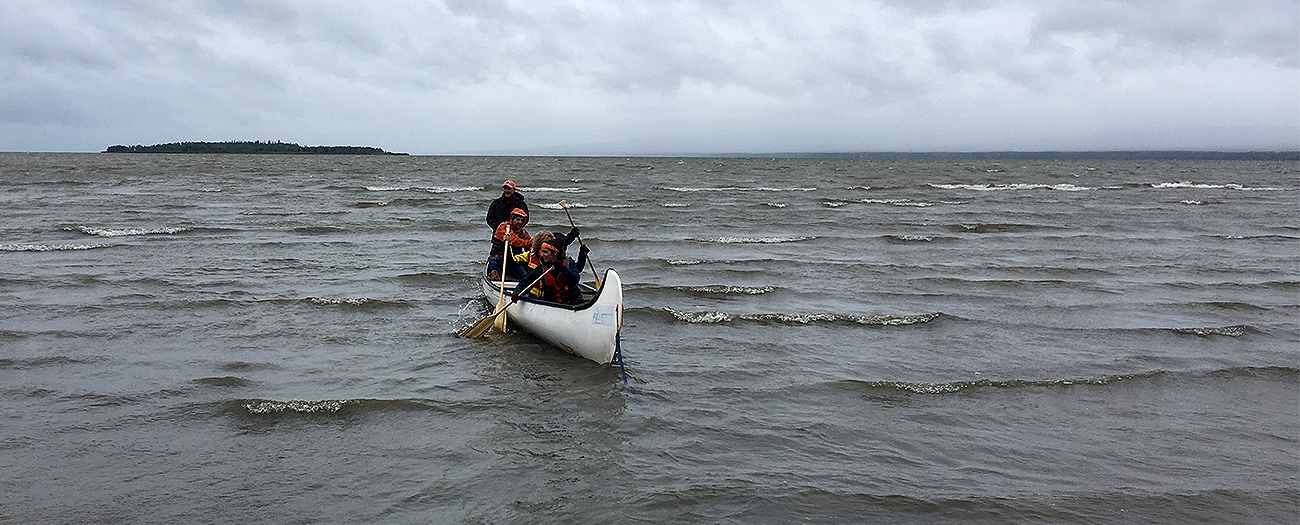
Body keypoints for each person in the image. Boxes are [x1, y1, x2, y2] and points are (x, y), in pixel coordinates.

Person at [513, 240, 589, 305]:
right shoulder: (541, 268)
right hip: (553, 303)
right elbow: (525, 282)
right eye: (542, 252)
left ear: (554, 253)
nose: (542, 255)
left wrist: (562, 268)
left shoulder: (569, 263)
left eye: (545, 252)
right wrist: (516, 292)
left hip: (574, 301)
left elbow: (576, 278)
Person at [486, 208, 532, 280]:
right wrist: (525, 243)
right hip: (499, 259)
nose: (520, 222)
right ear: (512, 219)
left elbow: (530, 245)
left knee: (526, 277)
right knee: (492, 261)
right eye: (518, 219)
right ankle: (496, 277)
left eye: (522, 220)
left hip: (514, 261)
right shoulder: (503, 227)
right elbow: (514, 240)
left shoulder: (524, 234)